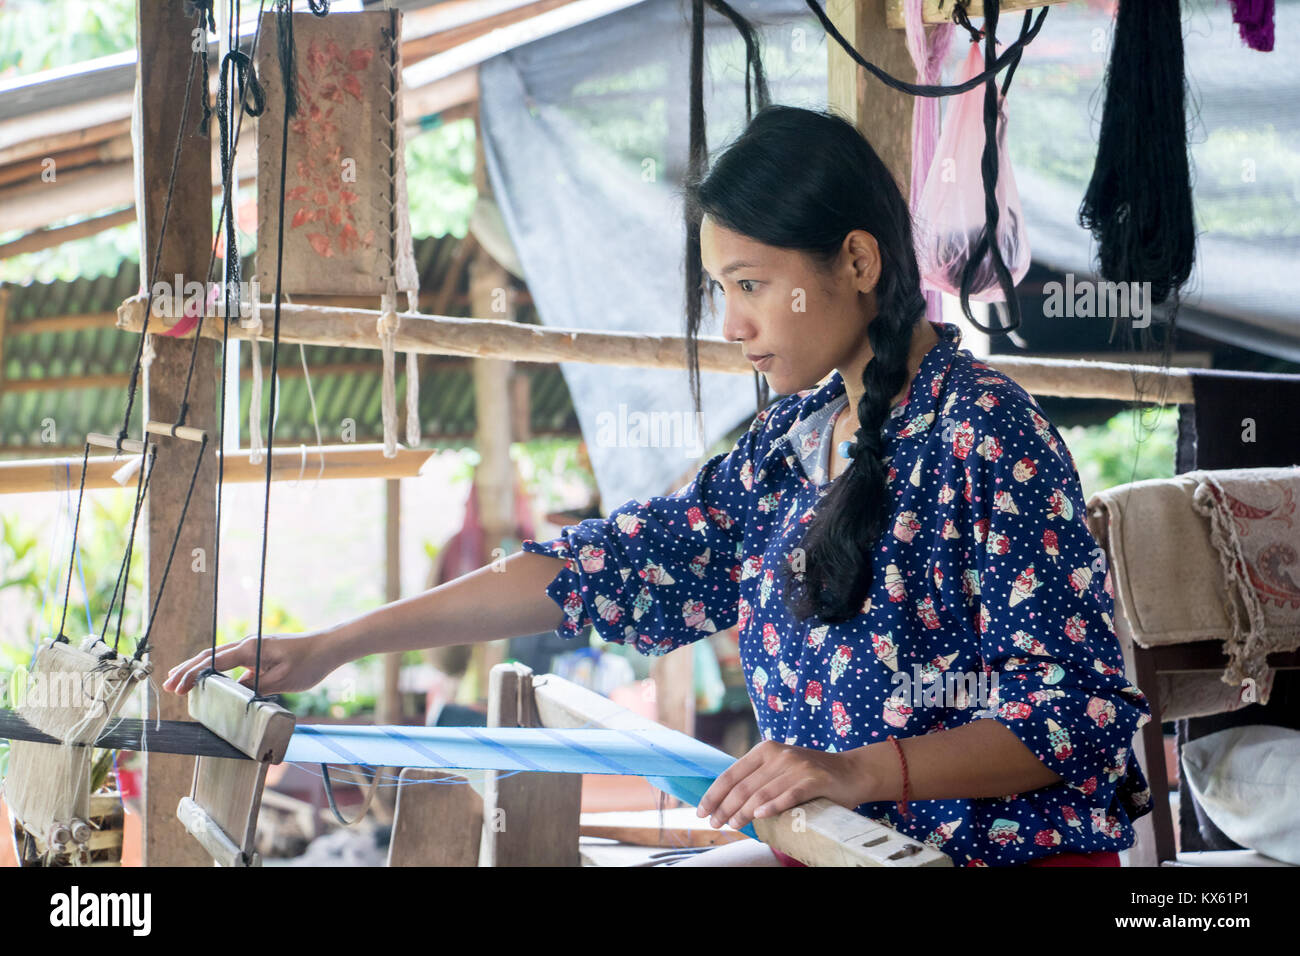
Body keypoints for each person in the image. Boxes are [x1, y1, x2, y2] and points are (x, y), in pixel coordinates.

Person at [165, 105, 1153, 867]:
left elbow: (1075, 713)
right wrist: (333, 644)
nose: (731, 324)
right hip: (832, 849)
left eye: (751, 283)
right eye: (721, 289)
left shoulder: (989, 433)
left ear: (854, 261)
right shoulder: (787, 445)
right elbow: (589, 567)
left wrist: (854, 771)